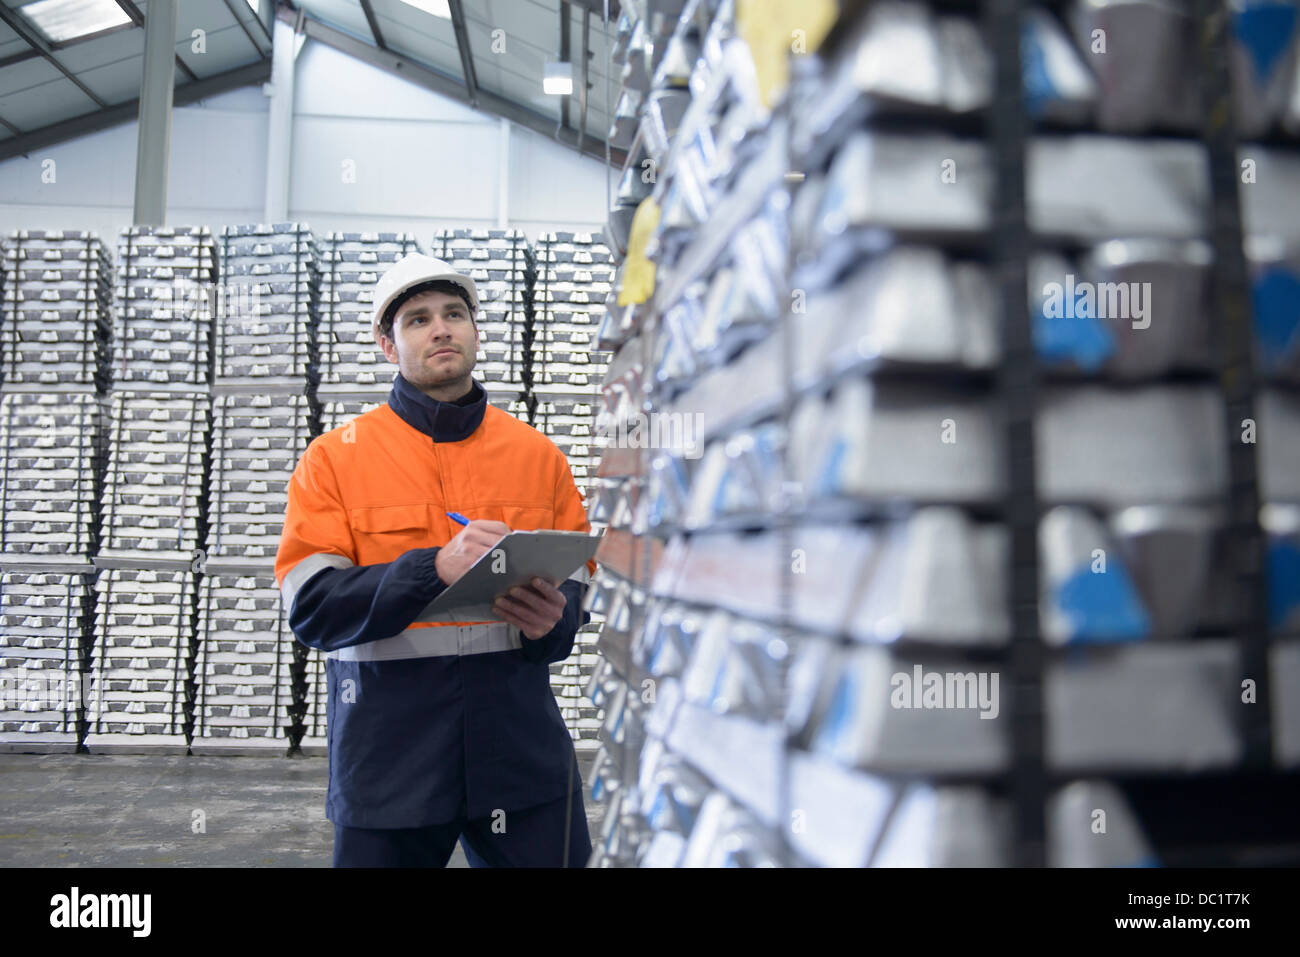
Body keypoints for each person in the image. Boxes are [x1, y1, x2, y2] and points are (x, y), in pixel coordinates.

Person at [275, 253, 596, 867]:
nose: (441, 329)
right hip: (391, 762)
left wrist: (552, 622)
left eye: (454, 314)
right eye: (418, 320)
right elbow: (313, 608)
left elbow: (576, 589)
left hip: (521, 760)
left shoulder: (538, 455)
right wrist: (432, 569)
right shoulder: (334, 460)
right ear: (388, 346)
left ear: (476, 331)